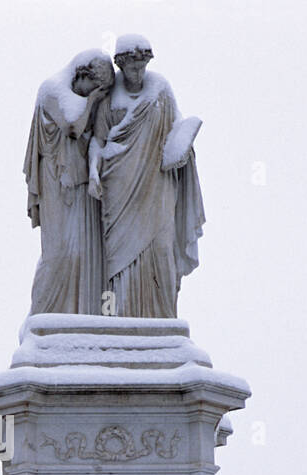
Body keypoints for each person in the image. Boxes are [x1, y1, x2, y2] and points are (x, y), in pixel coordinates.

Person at [88, 34, 205, 317]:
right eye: (132, 68)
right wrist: (93, 171)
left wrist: (184, 151)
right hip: (118, 190)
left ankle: (163, 317)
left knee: (161, 247)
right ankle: (116, 317)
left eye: (142, 67)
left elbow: (176, 131)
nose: (138, 73)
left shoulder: (160, 91)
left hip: (156, 187)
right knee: (116, 257)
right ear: (120, 66)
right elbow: (98, 140)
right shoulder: (110, 99)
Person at [24, 51, 115, 315]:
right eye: (94, 88)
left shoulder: (81, 99)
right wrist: (94, 100)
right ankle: (42, 316)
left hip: (79, 184)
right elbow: (73, 127)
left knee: (84, 254)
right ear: (82, 75)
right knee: (58, 252)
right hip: (56, 182)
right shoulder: (52, 91)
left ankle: (81, 315)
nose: (95, 95)